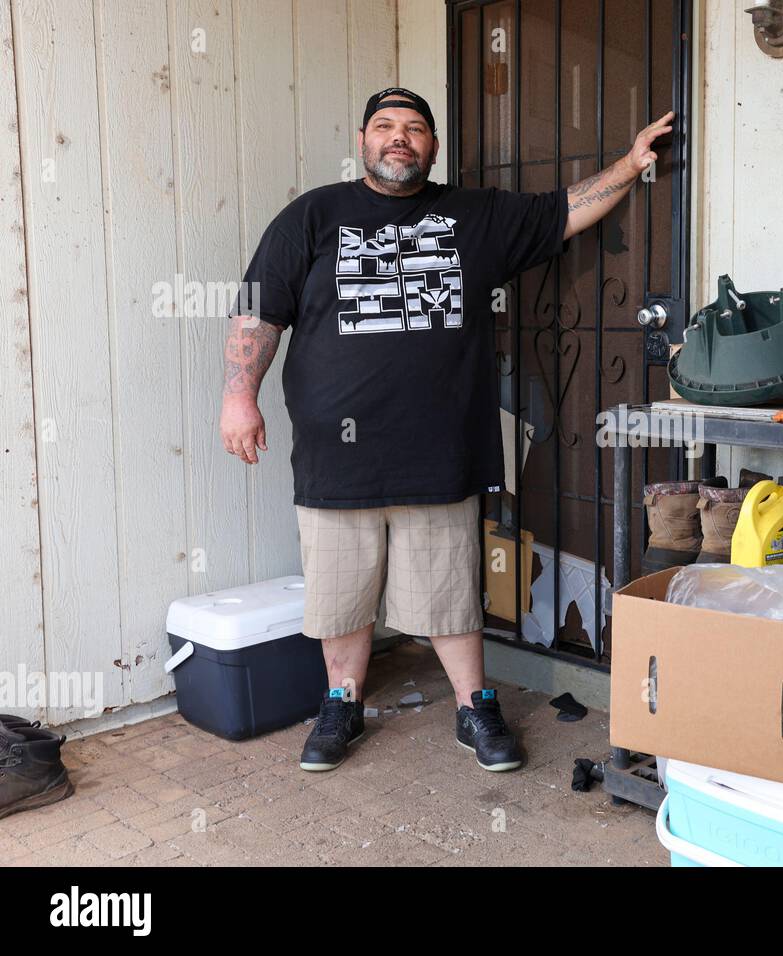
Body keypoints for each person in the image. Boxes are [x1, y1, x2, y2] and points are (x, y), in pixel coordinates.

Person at [220, 86, 672, 773]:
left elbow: (564, 213)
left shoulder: (473, 215)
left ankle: (474, 705)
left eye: (414, 128)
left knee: (450, 593)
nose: (399, 137)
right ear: (364, 140)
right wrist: (238, 396)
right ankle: (341, 703)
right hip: (335, 453)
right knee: (341, 595)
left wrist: (632, 162)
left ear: (431, 146)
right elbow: (260, 310)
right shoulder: (312, 215)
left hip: (440, 448)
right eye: (385, 126)